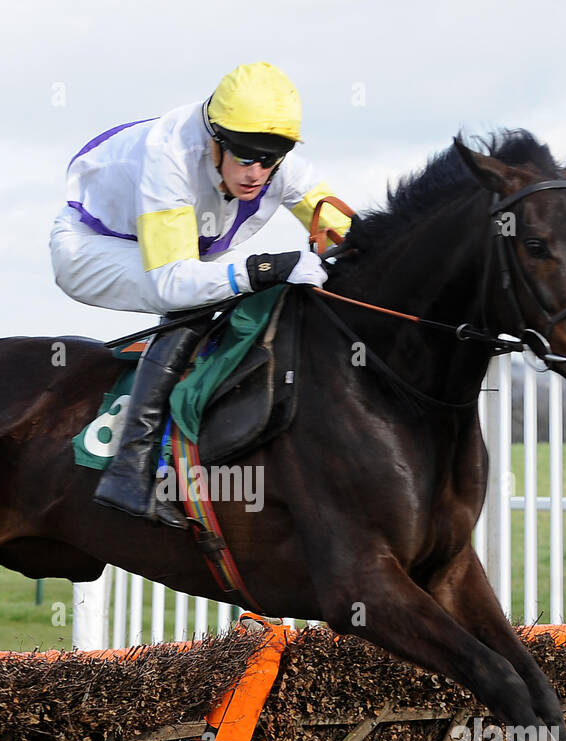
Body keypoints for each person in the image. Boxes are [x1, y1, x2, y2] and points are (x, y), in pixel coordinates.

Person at [50, 61, 351, 523]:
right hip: (93, 248)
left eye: (271, 158)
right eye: (246, 156)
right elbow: (172, 282)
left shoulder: (277, 166)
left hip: (176, 253)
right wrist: (270, 267)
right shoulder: (167, 156)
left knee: (232, 287)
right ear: (215, 140)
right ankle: (130, 468)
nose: (257, 172)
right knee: (203, 292)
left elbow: (352, 236)